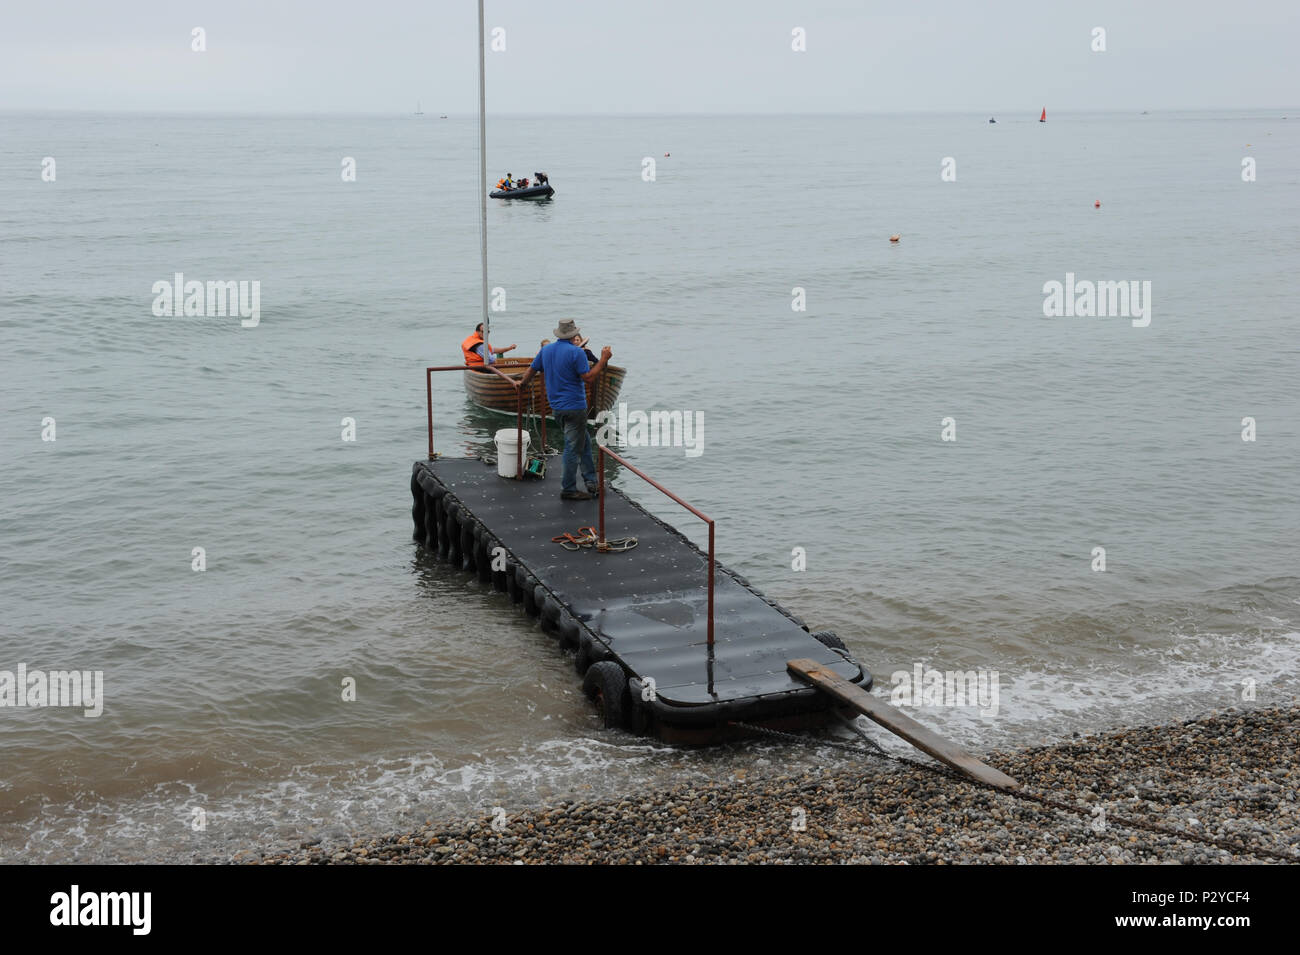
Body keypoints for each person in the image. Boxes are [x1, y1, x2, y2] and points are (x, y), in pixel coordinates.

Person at [515, 319, 612, 500]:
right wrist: (604, 359)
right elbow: (589, 378)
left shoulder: (546, 350)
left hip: (556, 408)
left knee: (582, 444)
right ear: (574, 335)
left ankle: (591, 482)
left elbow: (531, 370)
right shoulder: (577, 353)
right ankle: (568, 489)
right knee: (572, 448)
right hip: (575, 407)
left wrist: (521, 384)